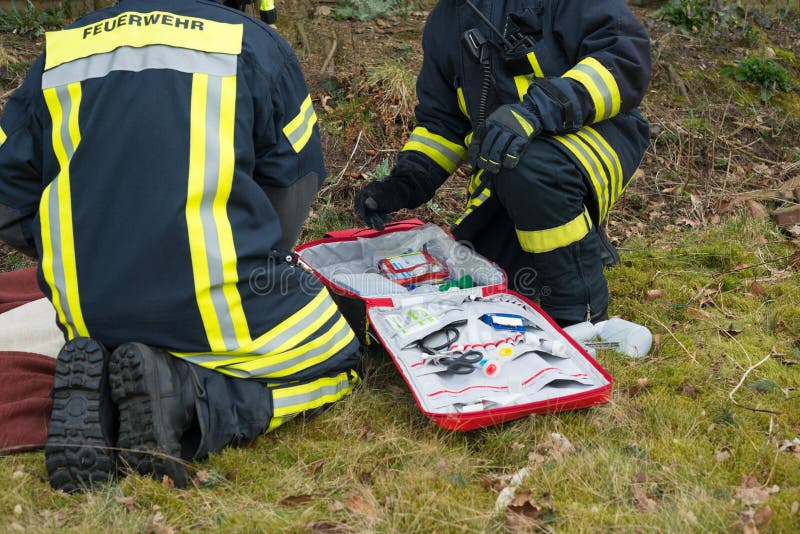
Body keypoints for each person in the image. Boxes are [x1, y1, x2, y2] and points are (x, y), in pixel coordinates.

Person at [0, 0, 360, 492]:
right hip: (217, 309)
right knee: (337, 356)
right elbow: (294, 183)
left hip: (89, 313)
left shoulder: (62, 52)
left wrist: (85, 250)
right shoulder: (253, 44)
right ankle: (188, 402)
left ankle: (108, 395)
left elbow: (9, 196)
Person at [354, 0, 651, 327]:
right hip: (507, 167)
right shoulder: (444, 22)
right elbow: (442, 125)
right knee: (483, 276)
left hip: (597, 136)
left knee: (531, 169)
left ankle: (578, 317)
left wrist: (535, 111)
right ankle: (584, 242)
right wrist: (404, 184)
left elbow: (625, 57)